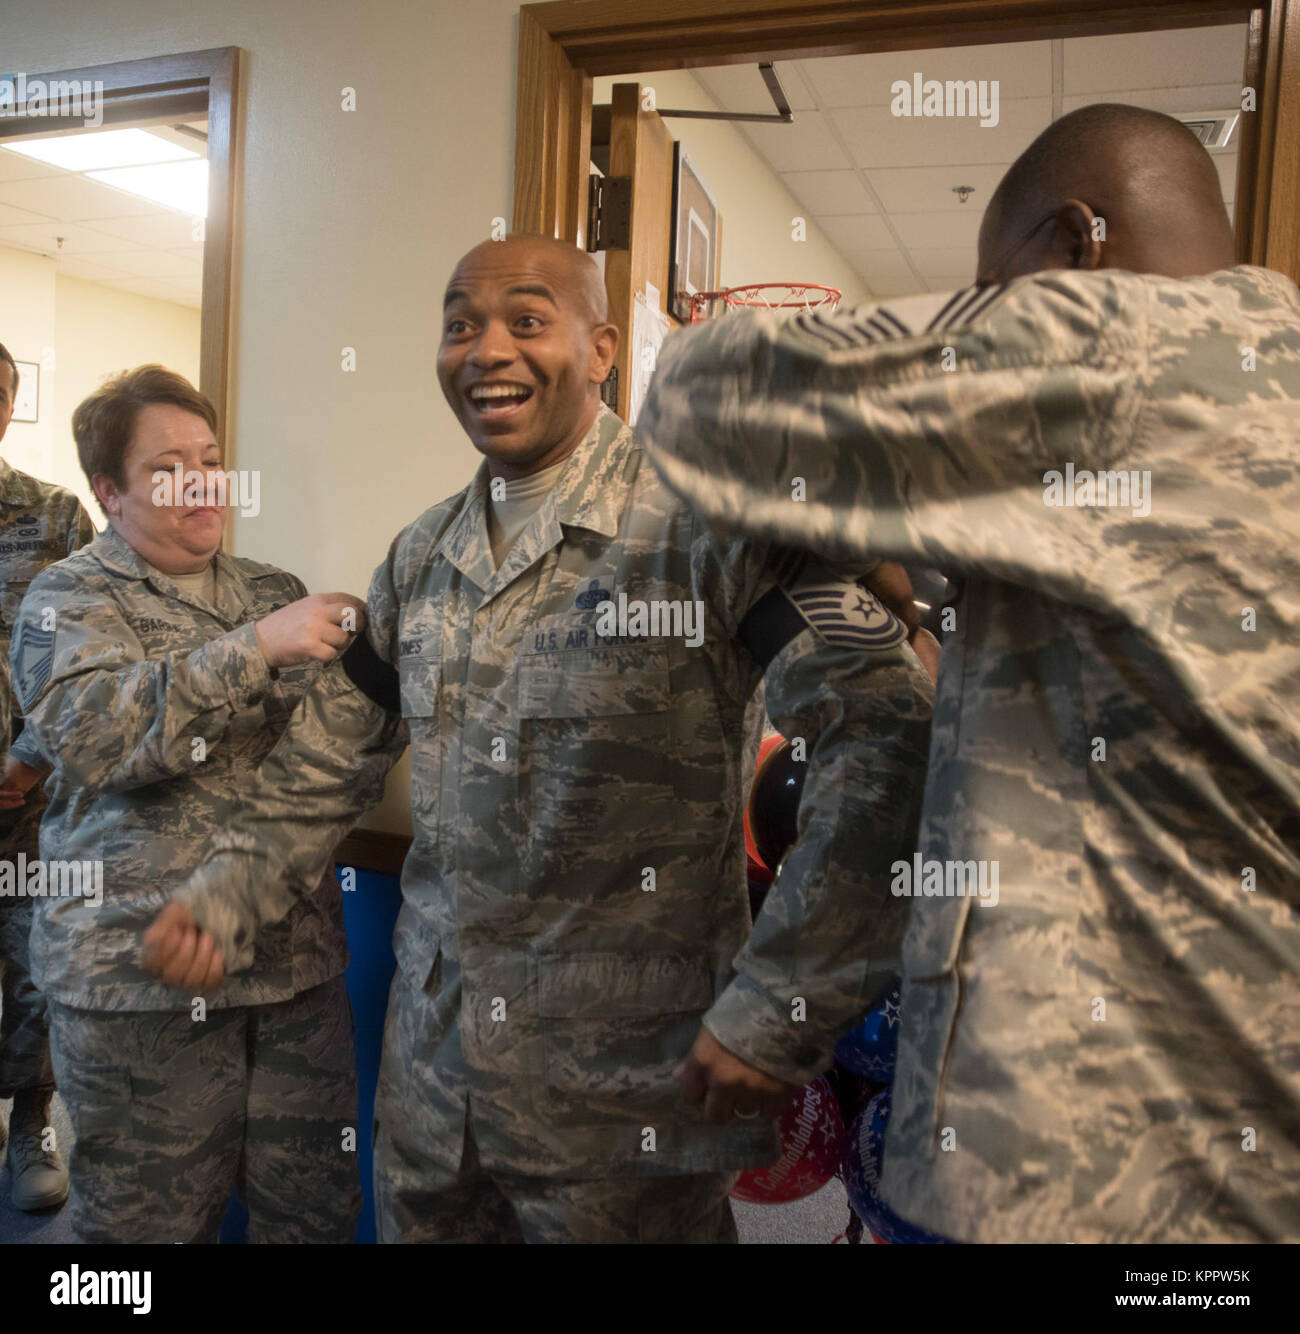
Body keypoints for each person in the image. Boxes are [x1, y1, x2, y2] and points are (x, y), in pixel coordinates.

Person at [144, 234, 935, 1243]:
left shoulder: (715, 523)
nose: (485, 348)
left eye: (527, 318)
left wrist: (782, 997)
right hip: (437, 1092)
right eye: (460, 322)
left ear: (603, 348)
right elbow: (332, 752)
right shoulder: (422, 554)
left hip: (626, 1109)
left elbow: (885, 743)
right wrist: (228, 891)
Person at [634, 103, 1300, 1244]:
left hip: (1079, 1166)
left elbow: (706, 400)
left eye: (994, 291)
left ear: (1078, 244)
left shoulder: (1126, 345)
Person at [9, 365, 368, 1242]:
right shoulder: (67, 598)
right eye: (170, 466)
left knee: (314, 1217)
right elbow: (94, 738)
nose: (204, 481)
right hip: (135, 990)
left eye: (211, 458)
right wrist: (255, 651)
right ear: (109, 492)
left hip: (291, 978)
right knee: (140, 1237)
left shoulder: (271, 590)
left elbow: (330, 756)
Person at [0, 341, 95, 1211]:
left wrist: (30, 758)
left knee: (35, 967)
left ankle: (31, 1123)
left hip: (30, 797)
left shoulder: (56, 515)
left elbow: (93, 648)